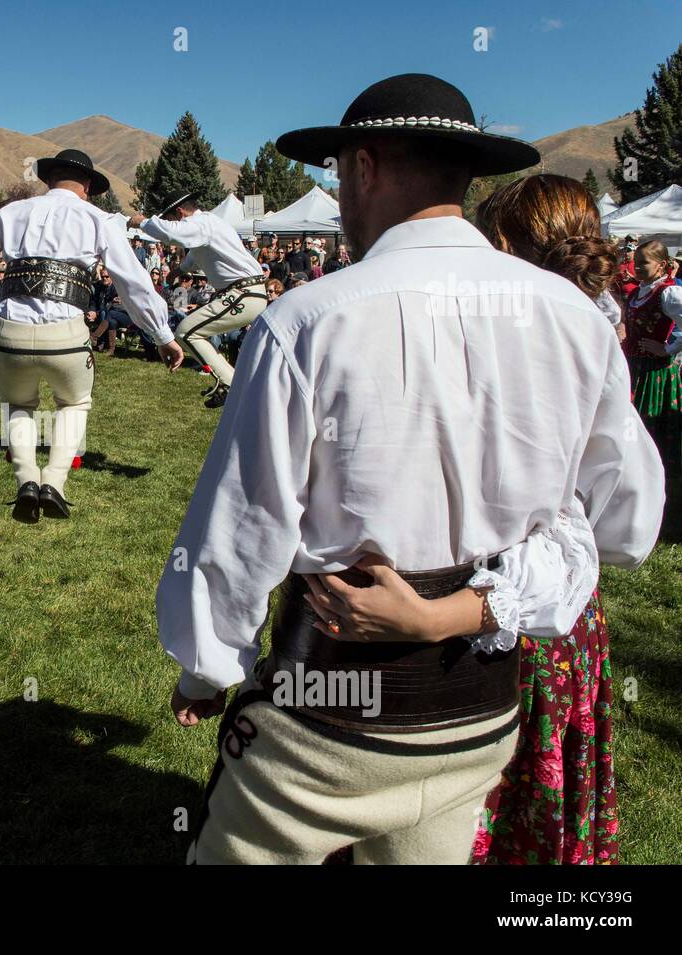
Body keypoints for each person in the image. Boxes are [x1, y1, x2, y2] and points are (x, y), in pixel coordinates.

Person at [156, 74, 665, 865]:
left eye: (338, 177)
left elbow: (242, 528)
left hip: (333, 717)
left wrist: (204, 668)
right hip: (479, 720)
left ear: (364, 166)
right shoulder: (574, 317)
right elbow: (629, 523)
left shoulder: (307, 321)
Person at [317, 174, 632, 865]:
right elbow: (627, 521)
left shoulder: (534, 328)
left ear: (500, 244)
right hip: (550, 614)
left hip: (512, 618)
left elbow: (580, 529)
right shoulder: (582, 324)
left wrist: (445, 612)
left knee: (457, 808)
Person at [0, 148, 183, 523]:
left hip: (10, 333)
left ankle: (26, 480)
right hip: (65, 334)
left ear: (48, 180)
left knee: (18, 407)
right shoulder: (98, 219)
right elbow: (134, 283)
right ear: (87, 188)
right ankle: (54, 483)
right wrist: (162, 334)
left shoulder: (11, 213)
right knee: (74, 404)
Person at [128, 190, 268, 409]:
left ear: (180, 213)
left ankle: (232, 383)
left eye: (170, 218)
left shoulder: (202, 223)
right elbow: (195, 256)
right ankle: (232, 382)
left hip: (243, 293)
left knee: (186, 332)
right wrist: (177, 271)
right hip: (247, 293)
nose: (169, 222)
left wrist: (142, 222)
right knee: (191, 332)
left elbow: (172, 234)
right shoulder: (209, 226)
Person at [622, 239, 682, 473]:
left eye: (643, 263)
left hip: (655, 372)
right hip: (634, 367)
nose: (636, 267)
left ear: (661, 265)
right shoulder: (638, 291)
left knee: (650, 425)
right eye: (635, 262)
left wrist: (666, 349)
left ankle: (654, 473)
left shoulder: (669, 293)